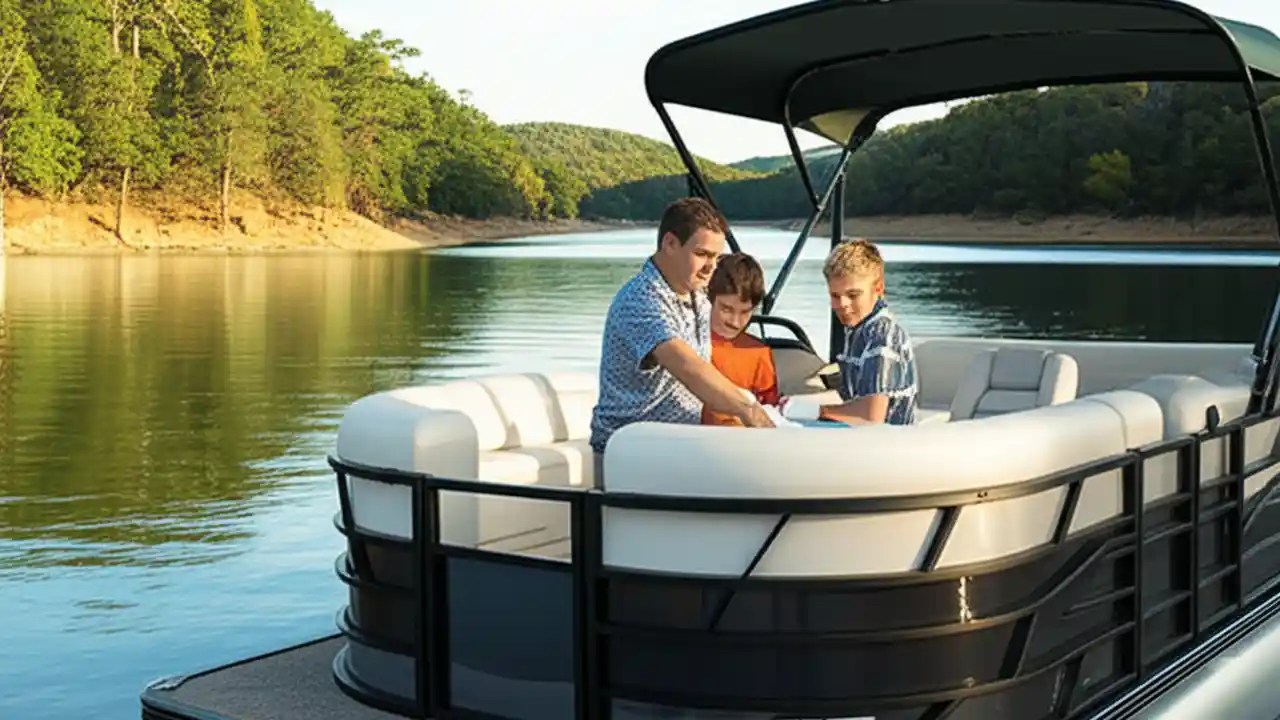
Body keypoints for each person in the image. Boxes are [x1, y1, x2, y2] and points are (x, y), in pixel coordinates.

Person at [589, 198, 775, 482]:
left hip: (676, 446)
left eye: (716, 256)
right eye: (701, 253)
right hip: (630, 453)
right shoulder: (642, 300)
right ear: (670, 244)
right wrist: (750, 411)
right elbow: (687, 366)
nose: (710, 267)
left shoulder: (697, 294)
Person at [792, 238, 918, 425]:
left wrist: (812, 410)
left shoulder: (882, 335)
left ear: (878, 288)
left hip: (887, 445)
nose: (842, 304)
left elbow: (871, 416)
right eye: (835, 295)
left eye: (853, 295)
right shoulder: (858, 328)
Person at [701, 253, 780, 426]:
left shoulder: (758, 353)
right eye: (726, 309)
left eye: (745, 312)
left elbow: (770, 411)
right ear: (708, 298)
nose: (735, 322)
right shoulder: (685, 342)